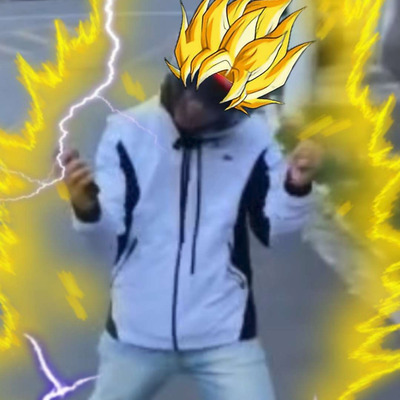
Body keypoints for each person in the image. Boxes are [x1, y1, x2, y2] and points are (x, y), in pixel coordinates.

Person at [59, 72, 323, 400]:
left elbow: (274, 231)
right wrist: (87, 208)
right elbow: (107, 241)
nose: (193, 109)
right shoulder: (127, 131)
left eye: (209, 104)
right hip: (136, 333)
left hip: (223, 333)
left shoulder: (253, 138)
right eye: (191, 95)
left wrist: (296, 186)